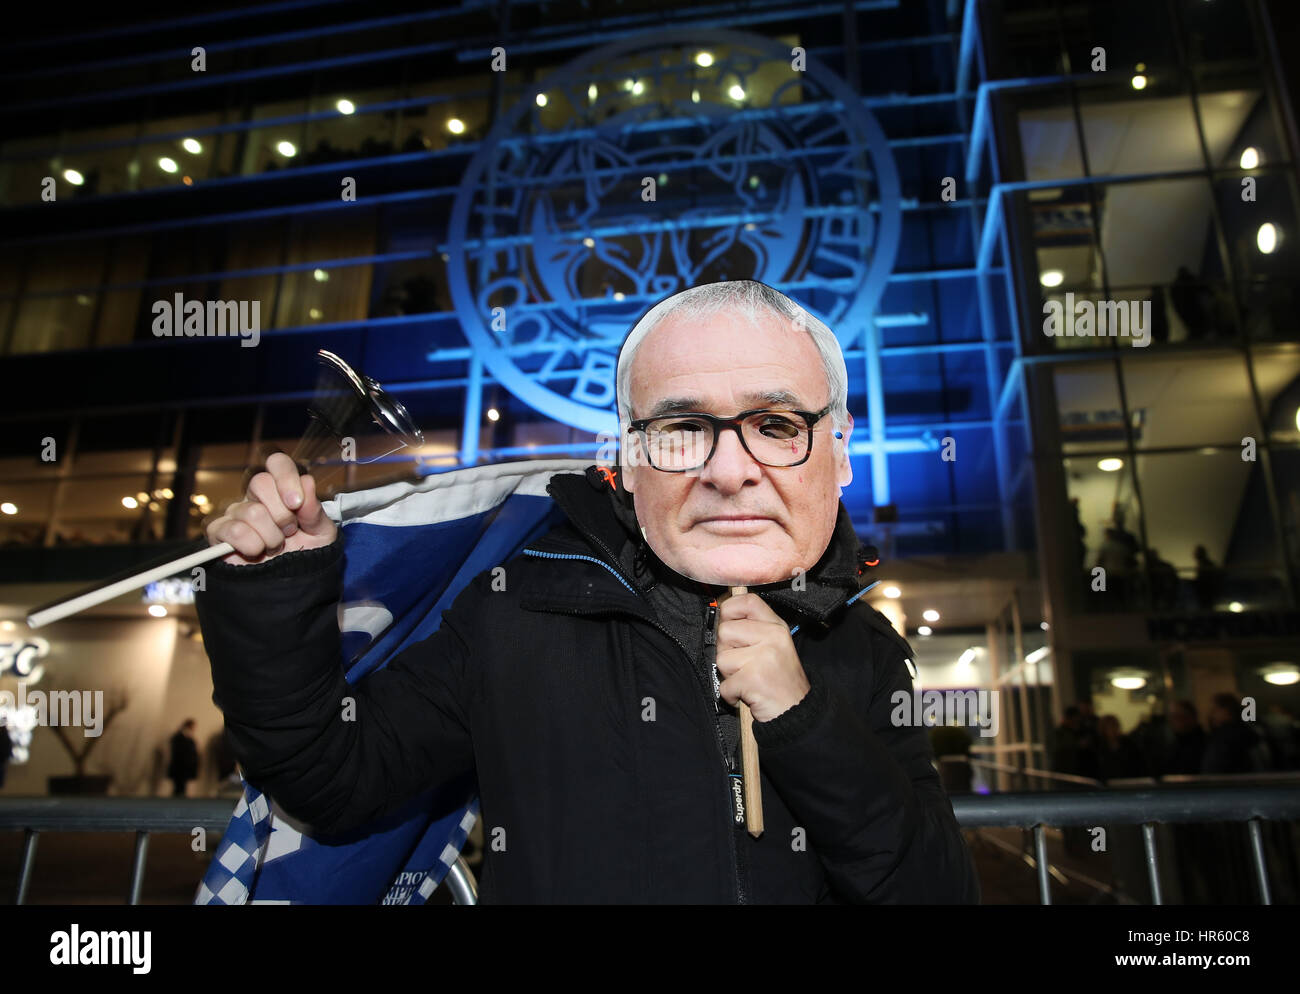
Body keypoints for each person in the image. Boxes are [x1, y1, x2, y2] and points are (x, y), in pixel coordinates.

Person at [194, 279, 980, 904]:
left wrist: (803, 721)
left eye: (776, 424)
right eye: (681, 429)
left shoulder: (869, 650)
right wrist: (276, 592)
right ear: (630, 461)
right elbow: (330, 774)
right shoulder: (515, 611)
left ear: (839, 451)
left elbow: (932, 889)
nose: (730, 469)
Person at [1203, 693, 1272, 774]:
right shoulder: (1246, 732)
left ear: (1228, 711)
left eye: (1215, 710)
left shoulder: (1229, 737)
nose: (1211, 714)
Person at [167, 719, 200, 797]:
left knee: (182, 787)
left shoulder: (189, 738)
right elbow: (178, 752)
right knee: (179, 787)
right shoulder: (178, 737)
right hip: (179, 767)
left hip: (185, 767)